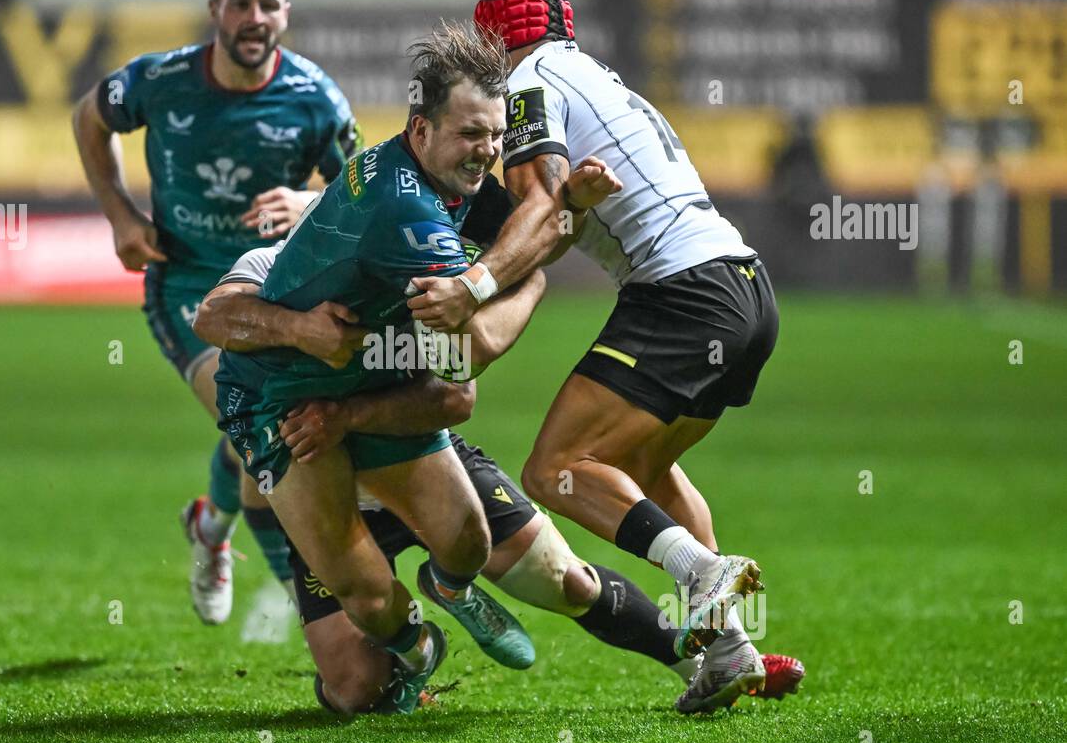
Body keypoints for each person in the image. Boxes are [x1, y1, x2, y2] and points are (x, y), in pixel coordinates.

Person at [196, 228, 805, 716]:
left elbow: (457, 400)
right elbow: (215, 317)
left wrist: (347, 415)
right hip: (326, 496)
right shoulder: (268, 267)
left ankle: (700, 665)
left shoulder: (411, 283)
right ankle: (412, 655)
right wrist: (295, 330)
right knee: (355, 687)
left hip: (428, 465)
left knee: (567, 583)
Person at [406, 0, 781, 713]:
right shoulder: (591, 74)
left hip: (682, 291)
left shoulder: (527, 83)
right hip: (745, 289)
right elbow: (561, 212)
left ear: (491, 39)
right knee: (646, 468)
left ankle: (703, 571)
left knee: (556, 470)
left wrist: (474, 286)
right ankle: (730, 650)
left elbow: (541, 209)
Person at [211, 23, 610, 712]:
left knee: (468, 541)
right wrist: (536, 277)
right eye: (469, 135)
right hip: (281, 402)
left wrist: (558, 214)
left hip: (362, 387)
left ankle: (449, 588)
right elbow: (471, 348)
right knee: (367, 599)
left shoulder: (419, 170)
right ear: (421, 131)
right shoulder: (411, 216)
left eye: (493, 135)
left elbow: (515, 228)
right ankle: (421, 645)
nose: (485, 151)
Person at [71, 0, 360, 624]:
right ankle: (318, 600)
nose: (253, 17)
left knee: (255, 429)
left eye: (267, 4)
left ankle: (210, 527)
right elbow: (89, 116)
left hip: (273, 293)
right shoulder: (162, 80)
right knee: (257, 431)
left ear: (286, 12)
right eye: (240, 3)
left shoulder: (314, 98)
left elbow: (359, 190)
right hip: (191, 291)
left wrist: (307, 203)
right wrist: (121, 217)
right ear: (214, 10)